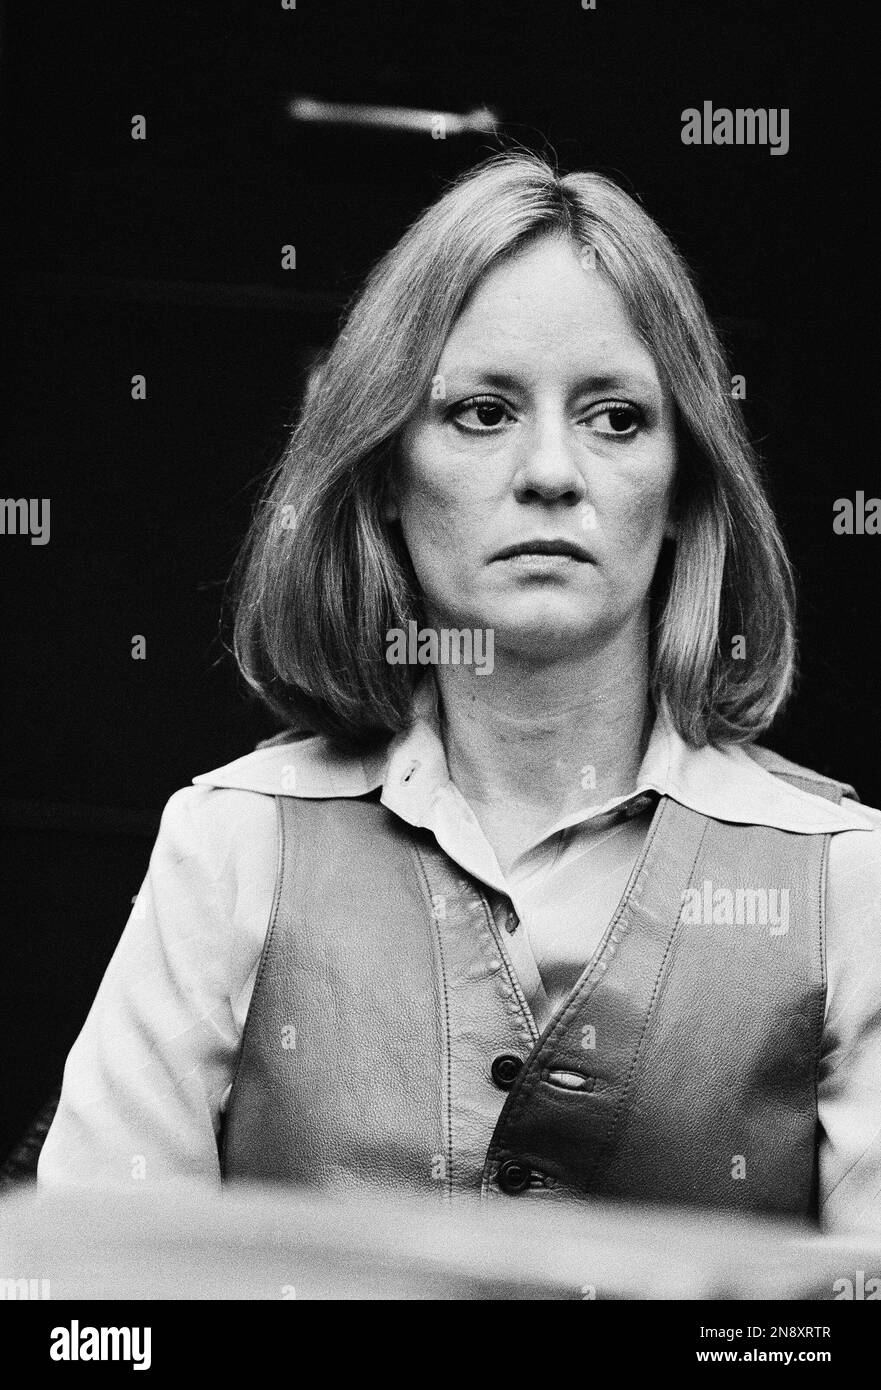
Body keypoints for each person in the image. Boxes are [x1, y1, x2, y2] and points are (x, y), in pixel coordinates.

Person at [39, 153, 881, 1232]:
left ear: (683, 487)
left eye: (614, 417)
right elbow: (92, 1304)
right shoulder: (233, 844)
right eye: (482, 411)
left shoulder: (843, 882)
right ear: (386, 472)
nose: (548, 470)